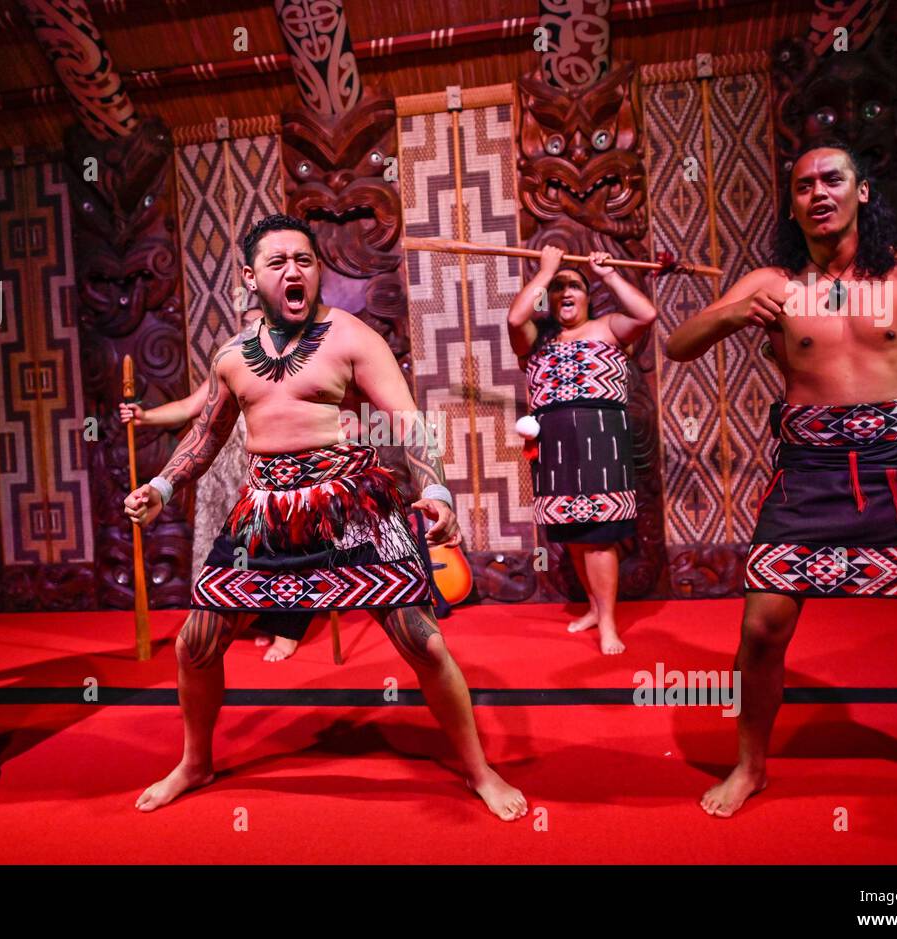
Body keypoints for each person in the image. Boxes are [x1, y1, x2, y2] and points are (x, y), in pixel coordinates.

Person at [666, 142, 897, 817]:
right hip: (809, 477)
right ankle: (750, 767)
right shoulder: (771, 283)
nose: (818, 192)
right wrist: (727, 314)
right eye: (803, 184)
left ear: (861, 192)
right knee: (761, 629)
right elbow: (677, 343)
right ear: (791, 203)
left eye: (832, 179)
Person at [123, 213, 527, 820]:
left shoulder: (351, 337)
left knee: (425, 645)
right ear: (249, 277)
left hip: (352, 504)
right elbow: (206, 437)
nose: (294, 271)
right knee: (194, 647)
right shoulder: (231, 356)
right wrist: (161, 483)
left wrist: (438, 494)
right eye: (278, 261)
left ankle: (478, 769)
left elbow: (406, 420)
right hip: (263, 512)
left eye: (305, 261)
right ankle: (196, 762)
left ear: (318, 272)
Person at [119, 310, 306, 663]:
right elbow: (192, 408)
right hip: (223, 470)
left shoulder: (298, 361)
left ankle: (286, 627)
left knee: (280, 545)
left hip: (267, 467)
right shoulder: (235, 361)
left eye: (262, 319)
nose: (256, 327)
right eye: (250, 322)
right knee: (241, 549)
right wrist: (146, 417)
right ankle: (258, 618)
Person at [507, 245, 658, 654]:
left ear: (588, 296)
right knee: (573, 535)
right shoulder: (537, 339)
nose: (565, 292)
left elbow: (646, 314)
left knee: (599, 535)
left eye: (574, 285)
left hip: (601, 434)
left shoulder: (608, 327)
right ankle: (593, 608)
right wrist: (545, 272)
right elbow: (514, 318)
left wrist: (607, 274)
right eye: (558, 289)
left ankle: (609, 623)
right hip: (554, 441)